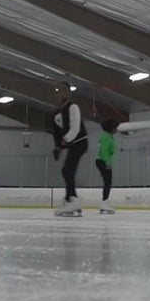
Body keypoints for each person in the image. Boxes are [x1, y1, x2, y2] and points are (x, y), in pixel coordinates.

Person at [52, 82, 87, 217]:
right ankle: (71, 200)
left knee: (67, 171)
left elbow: (75, 128)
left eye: (62, 90)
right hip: (73, 144)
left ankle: (72, 200)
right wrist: (58, 147)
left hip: (80, 142)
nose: (59, 93)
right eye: (57, 90)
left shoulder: (73, 107)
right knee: (67, 171)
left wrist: (64, 142)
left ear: (68, 92)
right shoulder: (58, 112)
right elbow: (57, 132)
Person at [96, 119, 118, 214]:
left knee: (107, 182)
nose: (117, 129)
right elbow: (104, 151)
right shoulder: (107, 137)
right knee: (107, 182)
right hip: (103, 161)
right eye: (115, 127)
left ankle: (104, 203)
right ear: (111, 128)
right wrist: (108, 163)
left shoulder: (107, 136)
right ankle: (104, 203)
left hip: (102, 161)